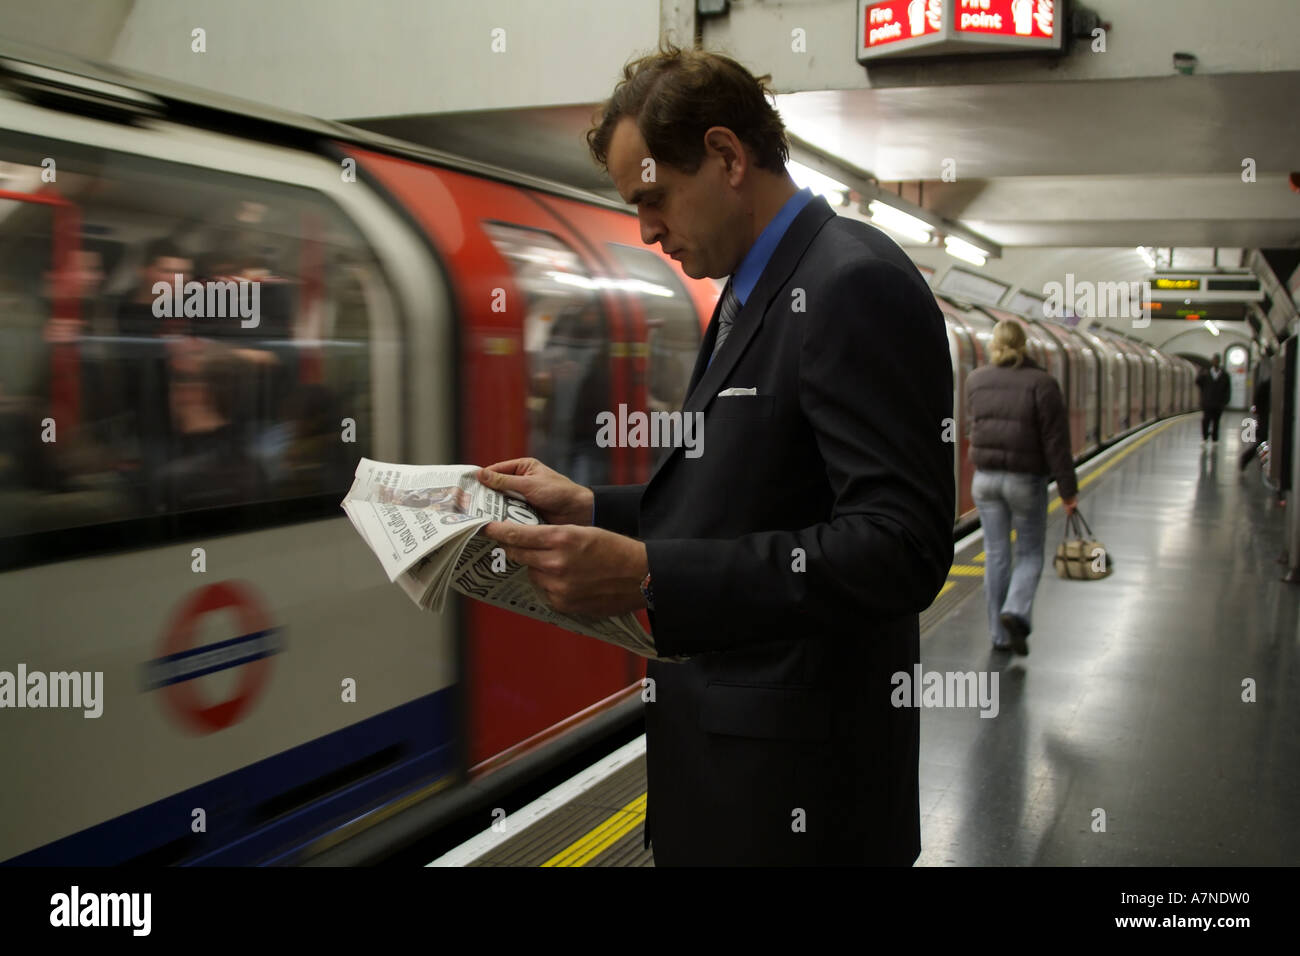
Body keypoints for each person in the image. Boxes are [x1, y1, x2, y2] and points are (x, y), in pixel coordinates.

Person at [477, 42, 954, 865]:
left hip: (802, 806)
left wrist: (649, 577)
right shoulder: (748, 291)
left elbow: (901, 546)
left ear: (728, 156)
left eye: (655, 196)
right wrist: (591, 508)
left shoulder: (850, 282)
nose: (645, 229)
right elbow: (748, 493)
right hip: (738, 780)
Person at [965, 320, 1078, 656]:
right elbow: (1056, 443)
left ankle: (998, 637)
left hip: (984, 480)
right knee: (1028, 554)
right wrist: (1068, 491)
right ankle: (1015, 611)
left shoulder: (976, 381)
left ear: (994, 345)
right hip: (1024, 481)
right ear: (1024, 345)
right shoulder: (1042, 383)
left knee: (997, 555)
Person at [1240, 354, 1272, 471]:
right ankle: (1251, 460)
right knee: (1262, 441)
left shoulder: (1267, 383)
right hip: (1266, 419)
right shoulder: (1269, 384)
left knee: (1262, 441)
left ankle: (1260, 462)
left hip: (1265, 418)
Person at [1195, 353, 1231, 444]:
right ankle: (1205, 437)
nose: (1215, 362)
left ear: (1219, 362)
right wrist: (1201, 373)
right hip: (1207, 402)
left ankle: (1215, 439)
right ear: (1212, 361)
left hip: (1218, 403)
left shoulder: (1224, 375)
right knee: (1206, 420)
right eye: (1214, 360)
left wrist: (1226, 401)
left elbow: (1228, 389)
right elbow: (1198, 382)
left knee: (1216, 422)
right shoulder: (1206, 373)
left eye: (1217, 360)